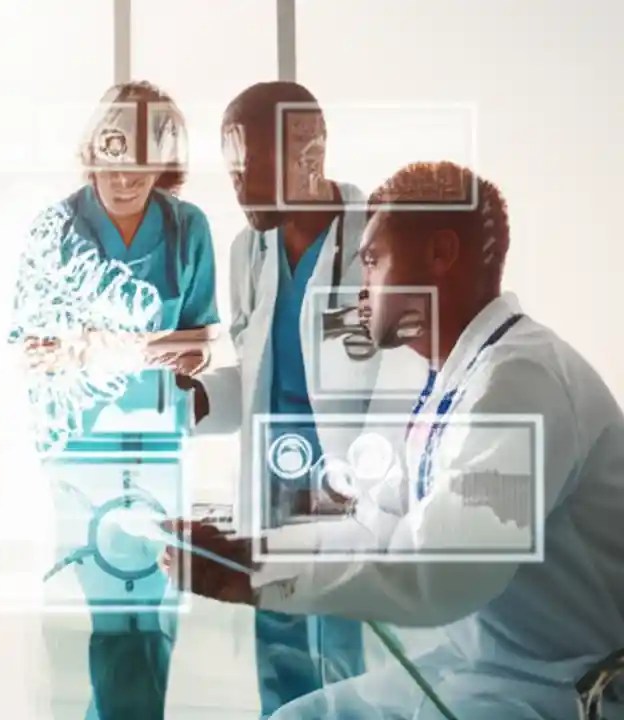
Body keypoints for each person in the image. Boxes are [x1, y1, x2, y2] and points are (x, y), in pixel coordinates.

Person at [167, 161, 624, 718]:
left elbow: (443, 573)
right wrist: (253, 545)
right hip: (474, 664)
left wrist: (256, 574)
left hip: (557, 688)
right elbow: (380, 526)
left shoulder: (520, 383)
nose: (361, 285)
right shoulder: (449, 379)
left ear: (440, 254)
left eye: (374, 261)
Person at [180, 81, 391, 716]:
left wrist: (372, 474)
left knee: (346, 643)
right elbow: (258, 373)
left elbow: (409, 381)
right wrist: (195, 398)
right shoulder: (250, 248)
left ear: (310, 153)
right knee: (278, 632)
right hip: (273, 468)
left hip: (352, 477)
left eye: (252, 167)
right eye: (233, 168)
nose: (239, 185)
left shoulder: (378, 241)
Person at [11, 80, 218, 720]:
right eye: (113, 155)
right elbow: (32, 349)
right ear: (92, 149)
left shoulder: (188, 228)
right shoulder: (55, 229)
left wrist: (104, 344)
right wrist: (145, 346)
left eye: (142, 161)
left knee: (153, 615)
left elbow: (201, 343)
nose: (125, 177)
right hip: (80, 450)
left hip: (160, 448)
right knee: (112, 617)